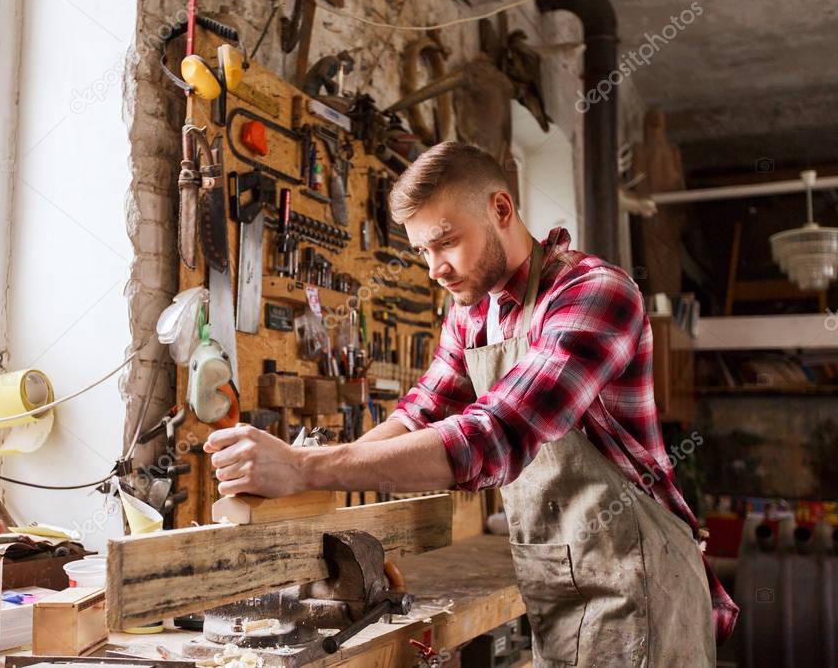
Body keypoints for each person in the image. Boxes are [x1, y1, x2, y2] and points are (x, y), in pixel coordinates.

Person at [205, 141, 737, 665]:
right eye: (422, 251)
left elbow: (493, 436)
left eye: (446, 242)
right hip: (561, 586)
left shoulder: (594, 293)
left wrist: (304, 468)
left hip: (640, 582)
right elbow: (422, 412)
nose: (434, 268)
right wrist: (317, 495)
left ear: (501, 209)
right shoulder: (472, 313)